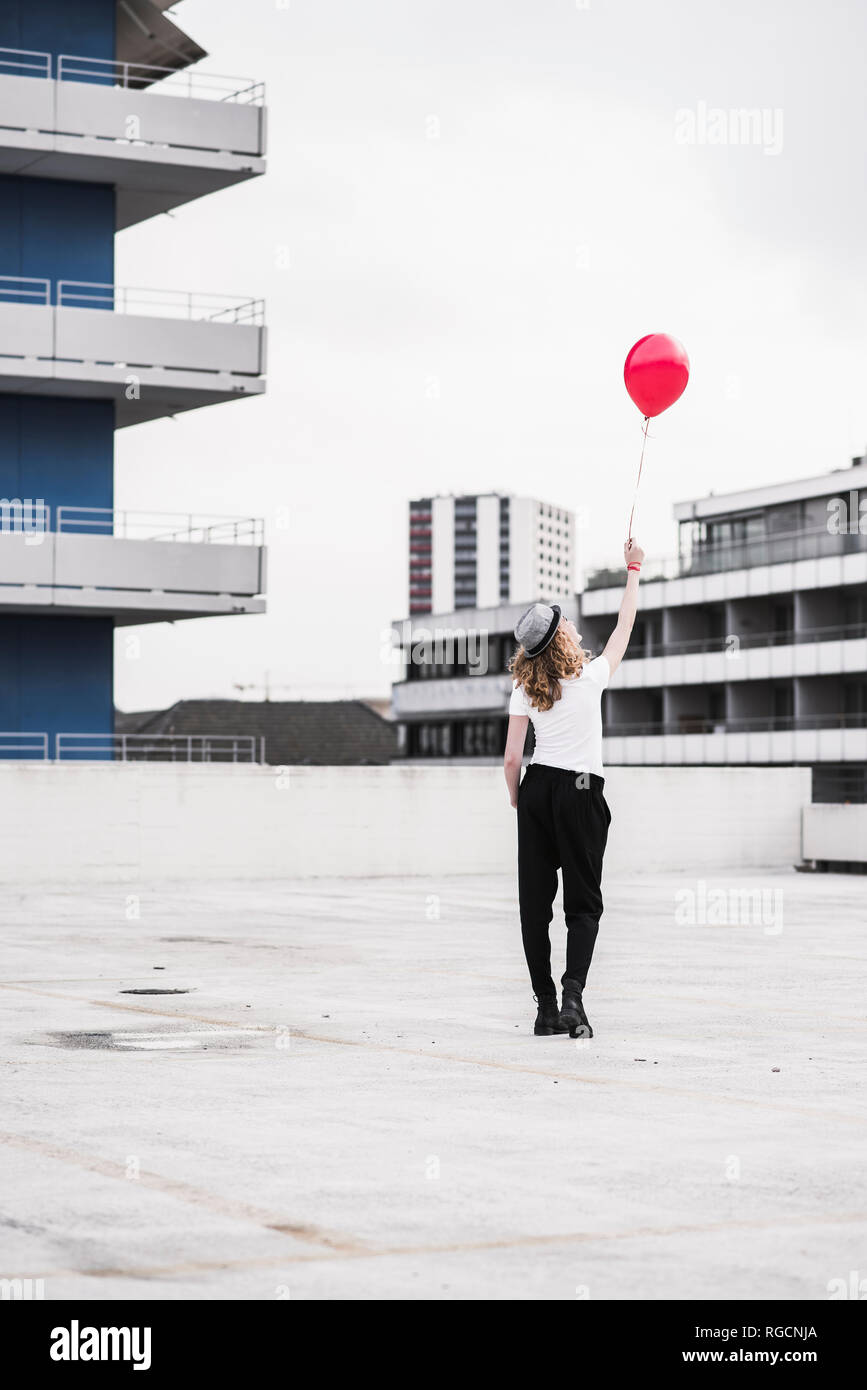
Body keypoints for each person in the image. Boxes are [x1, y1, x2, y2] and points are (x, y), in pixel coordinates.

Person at [503, 538, 645, 1037]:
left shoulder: (523, 687)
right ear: (562, 636)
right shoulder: (590, 677)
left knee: (534, 908)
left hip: (538, 788)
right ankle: (572, 997)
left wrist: (523, 801)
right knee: (582, 904)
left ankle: (543, 1009)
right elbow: (624, 626)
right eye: (564, 621)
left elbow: (512, 759)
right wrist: (633, 568)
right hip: (582, 791)